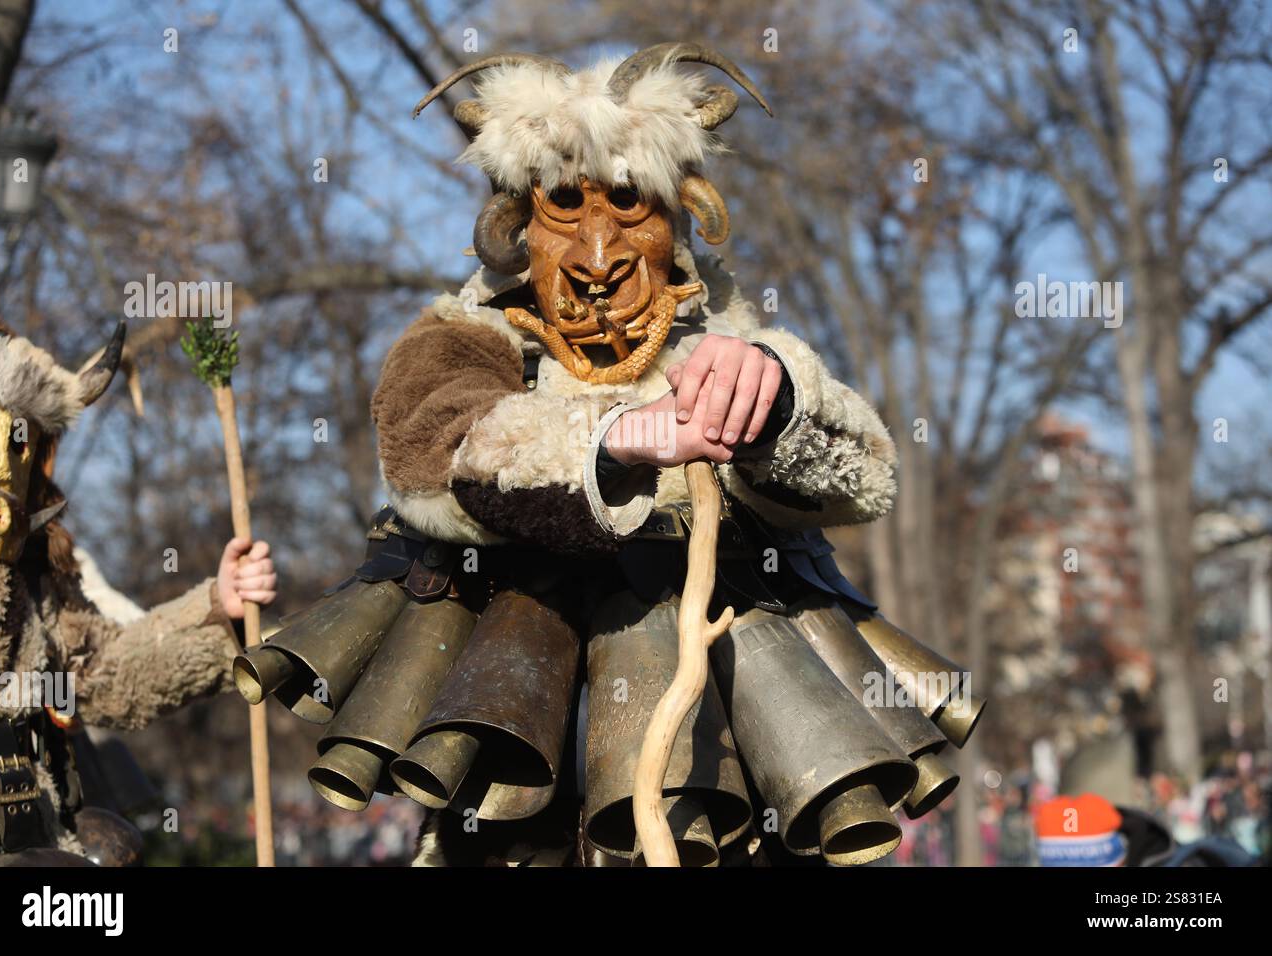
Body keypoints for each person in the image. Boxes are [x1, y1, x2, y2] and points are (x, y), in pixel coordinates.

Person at [245, 42, 985, 866]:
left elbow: (867, 472)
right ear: (516, 222)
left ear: (681, 214)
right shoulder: (461, 338)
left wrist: (774, 397)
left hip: (729, 733)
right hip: (515, 740)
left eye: (631, 207)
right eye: (565, 208)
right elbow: (432, 447)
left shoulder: (738, 339)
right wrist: (613, 442)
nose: (599, 258)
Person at [0, 306, 277, 866]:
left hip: (25, 838)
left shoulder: (37, 579)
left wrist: (218, 606)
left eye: (17, 441)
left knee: (108, 854)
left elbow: (108, 672)